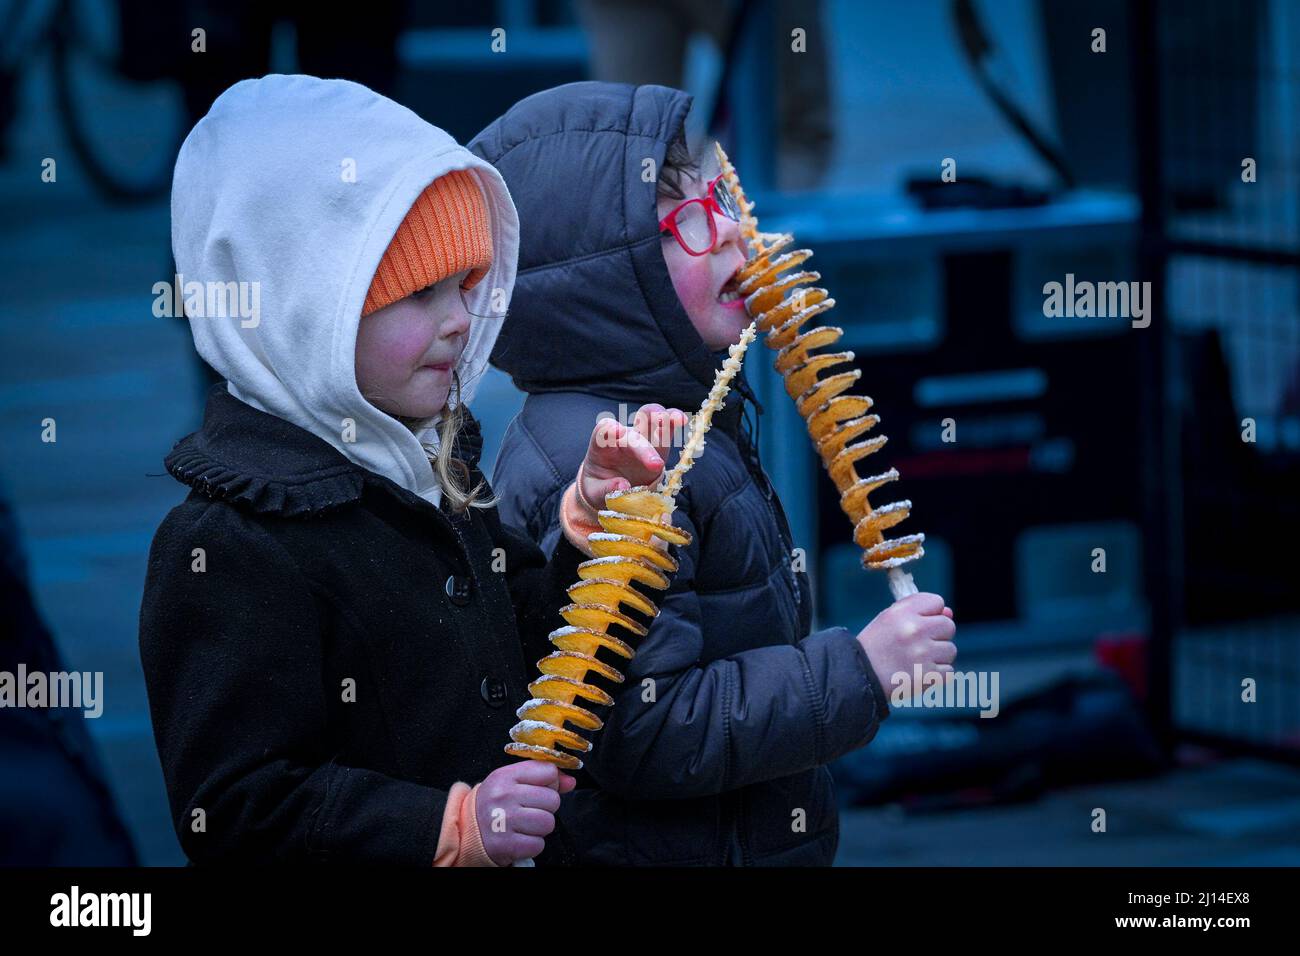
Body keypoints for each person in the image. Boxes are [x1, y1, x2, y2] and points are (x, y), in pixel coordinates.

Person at [139, 75, 683, 866]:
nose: (460, 318)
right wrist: (449, 830)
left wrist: (594, 533)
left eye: (464, 284)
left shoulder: (433, 458)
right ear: (303, 309)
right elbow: (235, 811)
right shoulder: (227, 541)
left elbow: (537, 655)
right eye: (418, 293)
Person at [472, 81, 957, 865]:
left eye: (721, 199)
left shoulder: (693, 413)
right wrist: (859, 669)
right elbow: (649, 730)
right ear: (607, 277)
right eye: (689, 221)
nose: (733, 232)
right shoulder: (611, 461)